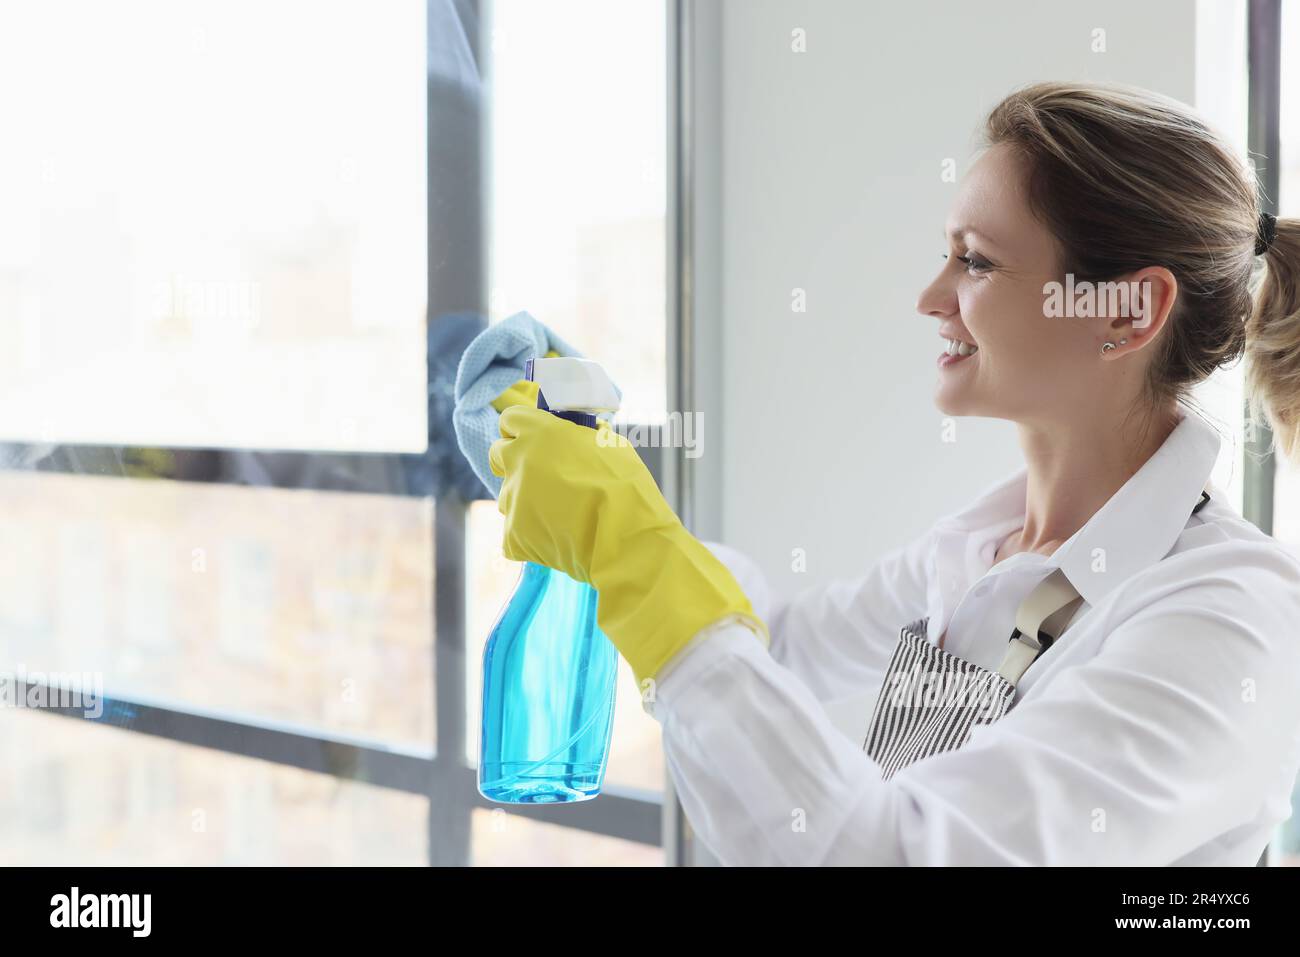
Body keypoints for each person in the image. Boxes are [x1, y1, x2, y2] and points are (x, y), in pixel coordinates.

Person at [489, 82, 1300, 866]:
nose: (930, 296)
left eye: (975, 262)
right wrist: (590, 481)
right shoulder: (983, 552)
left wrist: (637, 552)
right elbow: (781, 645)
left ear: (1125, 312)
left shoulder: (1228, 618)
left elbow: (894, 854)